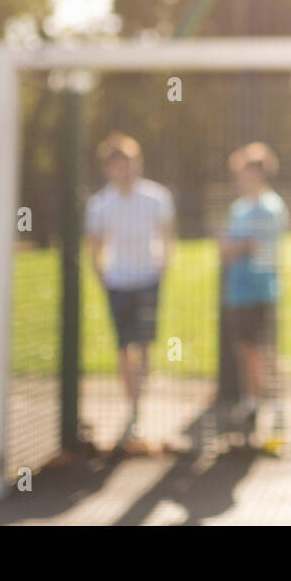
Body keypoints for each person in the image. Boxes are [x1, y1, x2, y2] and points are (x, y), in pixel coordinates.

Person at [84, 132, 175, 452]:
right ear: (109, 168)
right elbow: (94, 246)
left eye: (128, 163)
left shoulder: (156, 197)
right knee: (125, 346)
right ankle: (130, 407)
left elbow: (166, 235)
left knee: (145, 345)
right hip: (119, 282)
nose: (123, 170)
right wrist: (102, 275)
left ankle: (139, 401)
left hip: (148, 279)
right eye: (116, 164)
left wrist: (163, 267)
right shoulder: (100, 204)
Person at [219, 142, 288, 453]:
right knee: (244, 348)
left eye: (246, 173)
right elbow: (228, 246)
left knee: (259, 350)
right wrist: (235, 248)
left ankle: (265, 404)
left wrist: (235, 248)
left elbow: (251, 246)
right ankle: (252, 401)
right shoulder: (239, 208)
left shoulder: (270, 207)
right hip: (237, 290)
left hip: (261, 289)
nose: (241, 178)